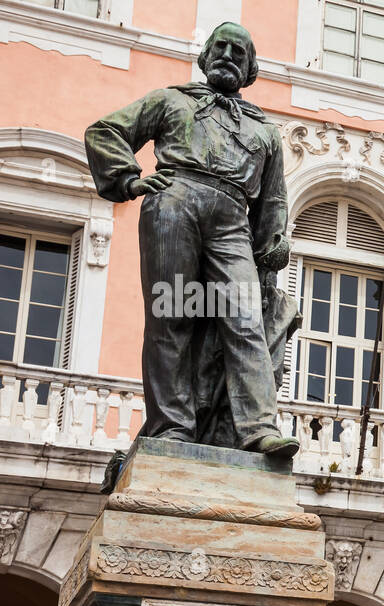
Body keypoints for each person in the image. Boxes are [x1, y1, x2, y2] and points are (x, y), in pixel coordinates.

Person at [84, 22, 299, 458]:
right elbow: (106, 131)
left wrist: (273, 243)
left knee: (245, 322)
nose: (227, 55)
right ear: (204, 57)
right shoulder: (171, 100)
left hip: (231, 217)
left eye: (238, 52)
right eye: (219, 46)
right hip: (173, 200)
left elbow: (273, 199)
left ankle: (258, 429)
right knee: (172, 315)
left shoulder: (264, 132)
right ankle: (172, 427)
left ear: (250, 68)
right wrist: (128, 179)